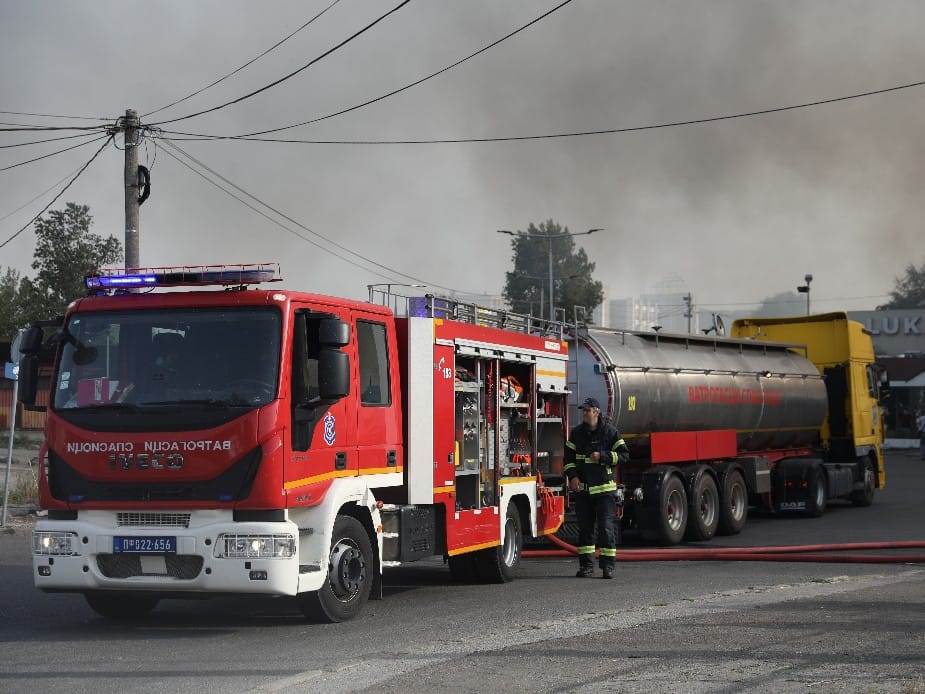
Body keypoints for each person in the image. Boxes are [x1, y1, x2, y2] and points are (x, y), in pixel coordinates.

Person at [564, 397, 630, 579]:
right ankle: (586, 566)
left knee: (606, 529)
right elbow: (568, 459)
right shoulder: (577, 433)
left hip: (604, 491)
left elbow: (624, 455)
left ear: (596, 412)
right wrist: (573, 477)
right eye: (583, 410)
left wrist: (603, 456)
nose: (584, 413)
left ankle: (608, 566)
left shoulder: (610, 432)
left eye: (587, 410)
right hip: (583, 491)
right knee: (585, 529)